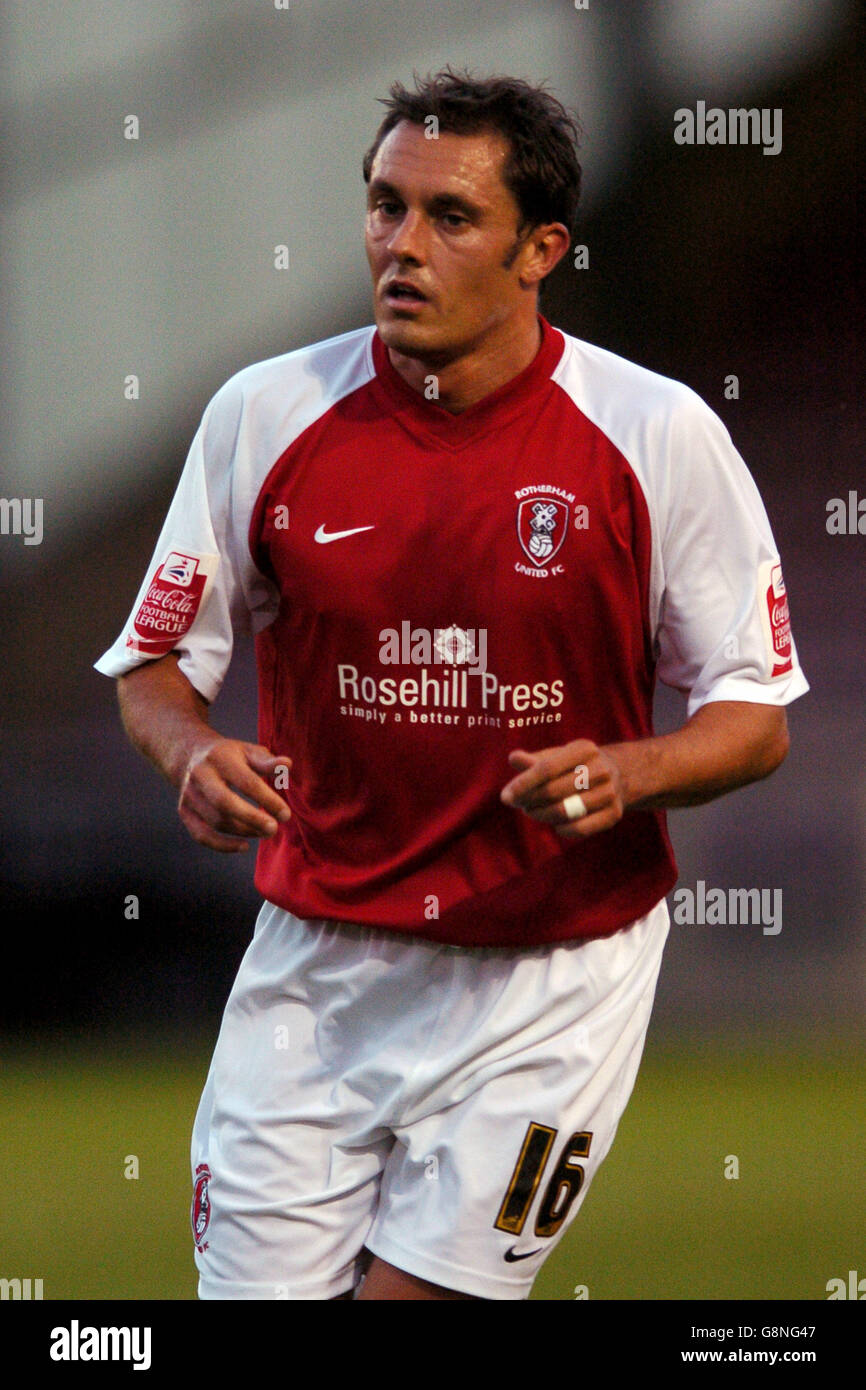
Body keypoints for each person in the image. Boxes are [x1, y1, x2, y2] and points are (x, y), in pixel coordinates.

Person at [95, 69, 808, 1301]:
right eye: (383, 205)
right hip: (313, 970)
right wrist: (190, 754)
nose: (400, 245)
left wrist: (626, 771)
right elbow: (154, 663)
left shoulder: (654, 434)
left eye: (449, 218)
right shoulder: (264, 414)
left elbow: (752, 719)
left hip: (549, 972)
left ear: (540, 250)